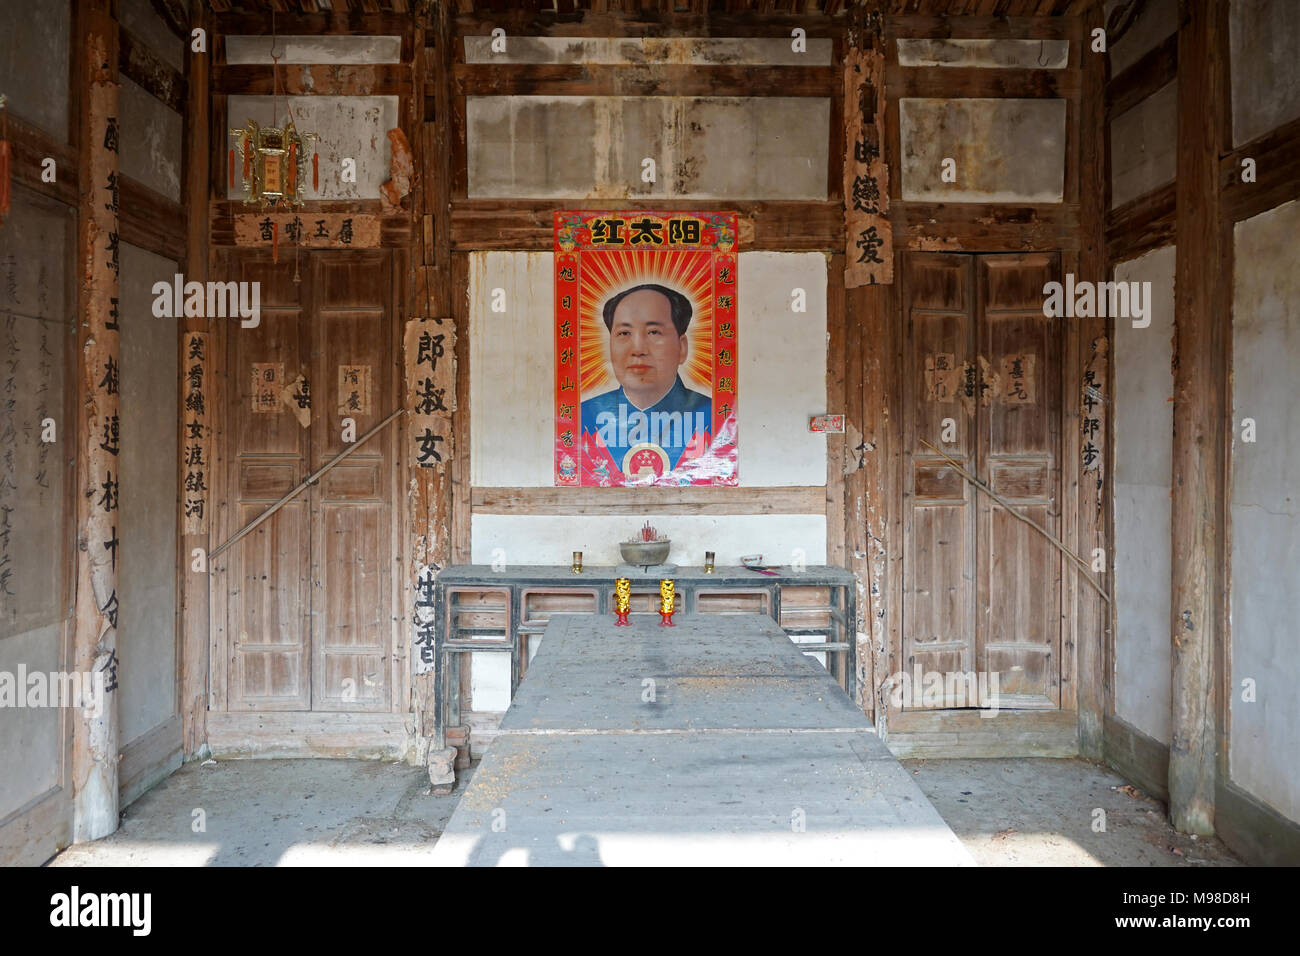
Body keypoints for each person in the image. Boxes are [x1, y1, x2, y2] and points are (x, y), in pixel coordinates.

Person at [580, 283, 712, 479]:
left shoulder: (713, 416)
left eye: (653, 332)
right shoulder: (585, 417)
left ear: (682, 348)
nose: (638, 349)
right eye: (624, 333)